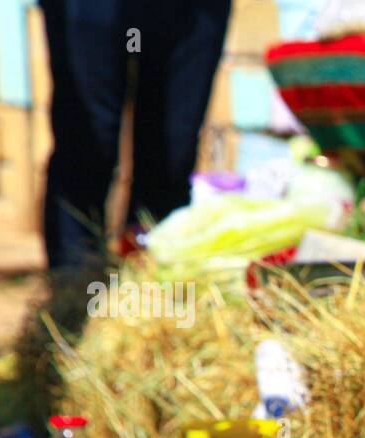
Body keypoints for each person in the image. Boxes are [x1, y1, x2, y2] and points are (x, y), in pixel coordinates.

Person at [40, 0, 231, 270]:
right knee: (87, 145)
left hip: (192, 11)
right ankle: (75, 285)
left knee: (174, 152)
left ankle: (149, 278)